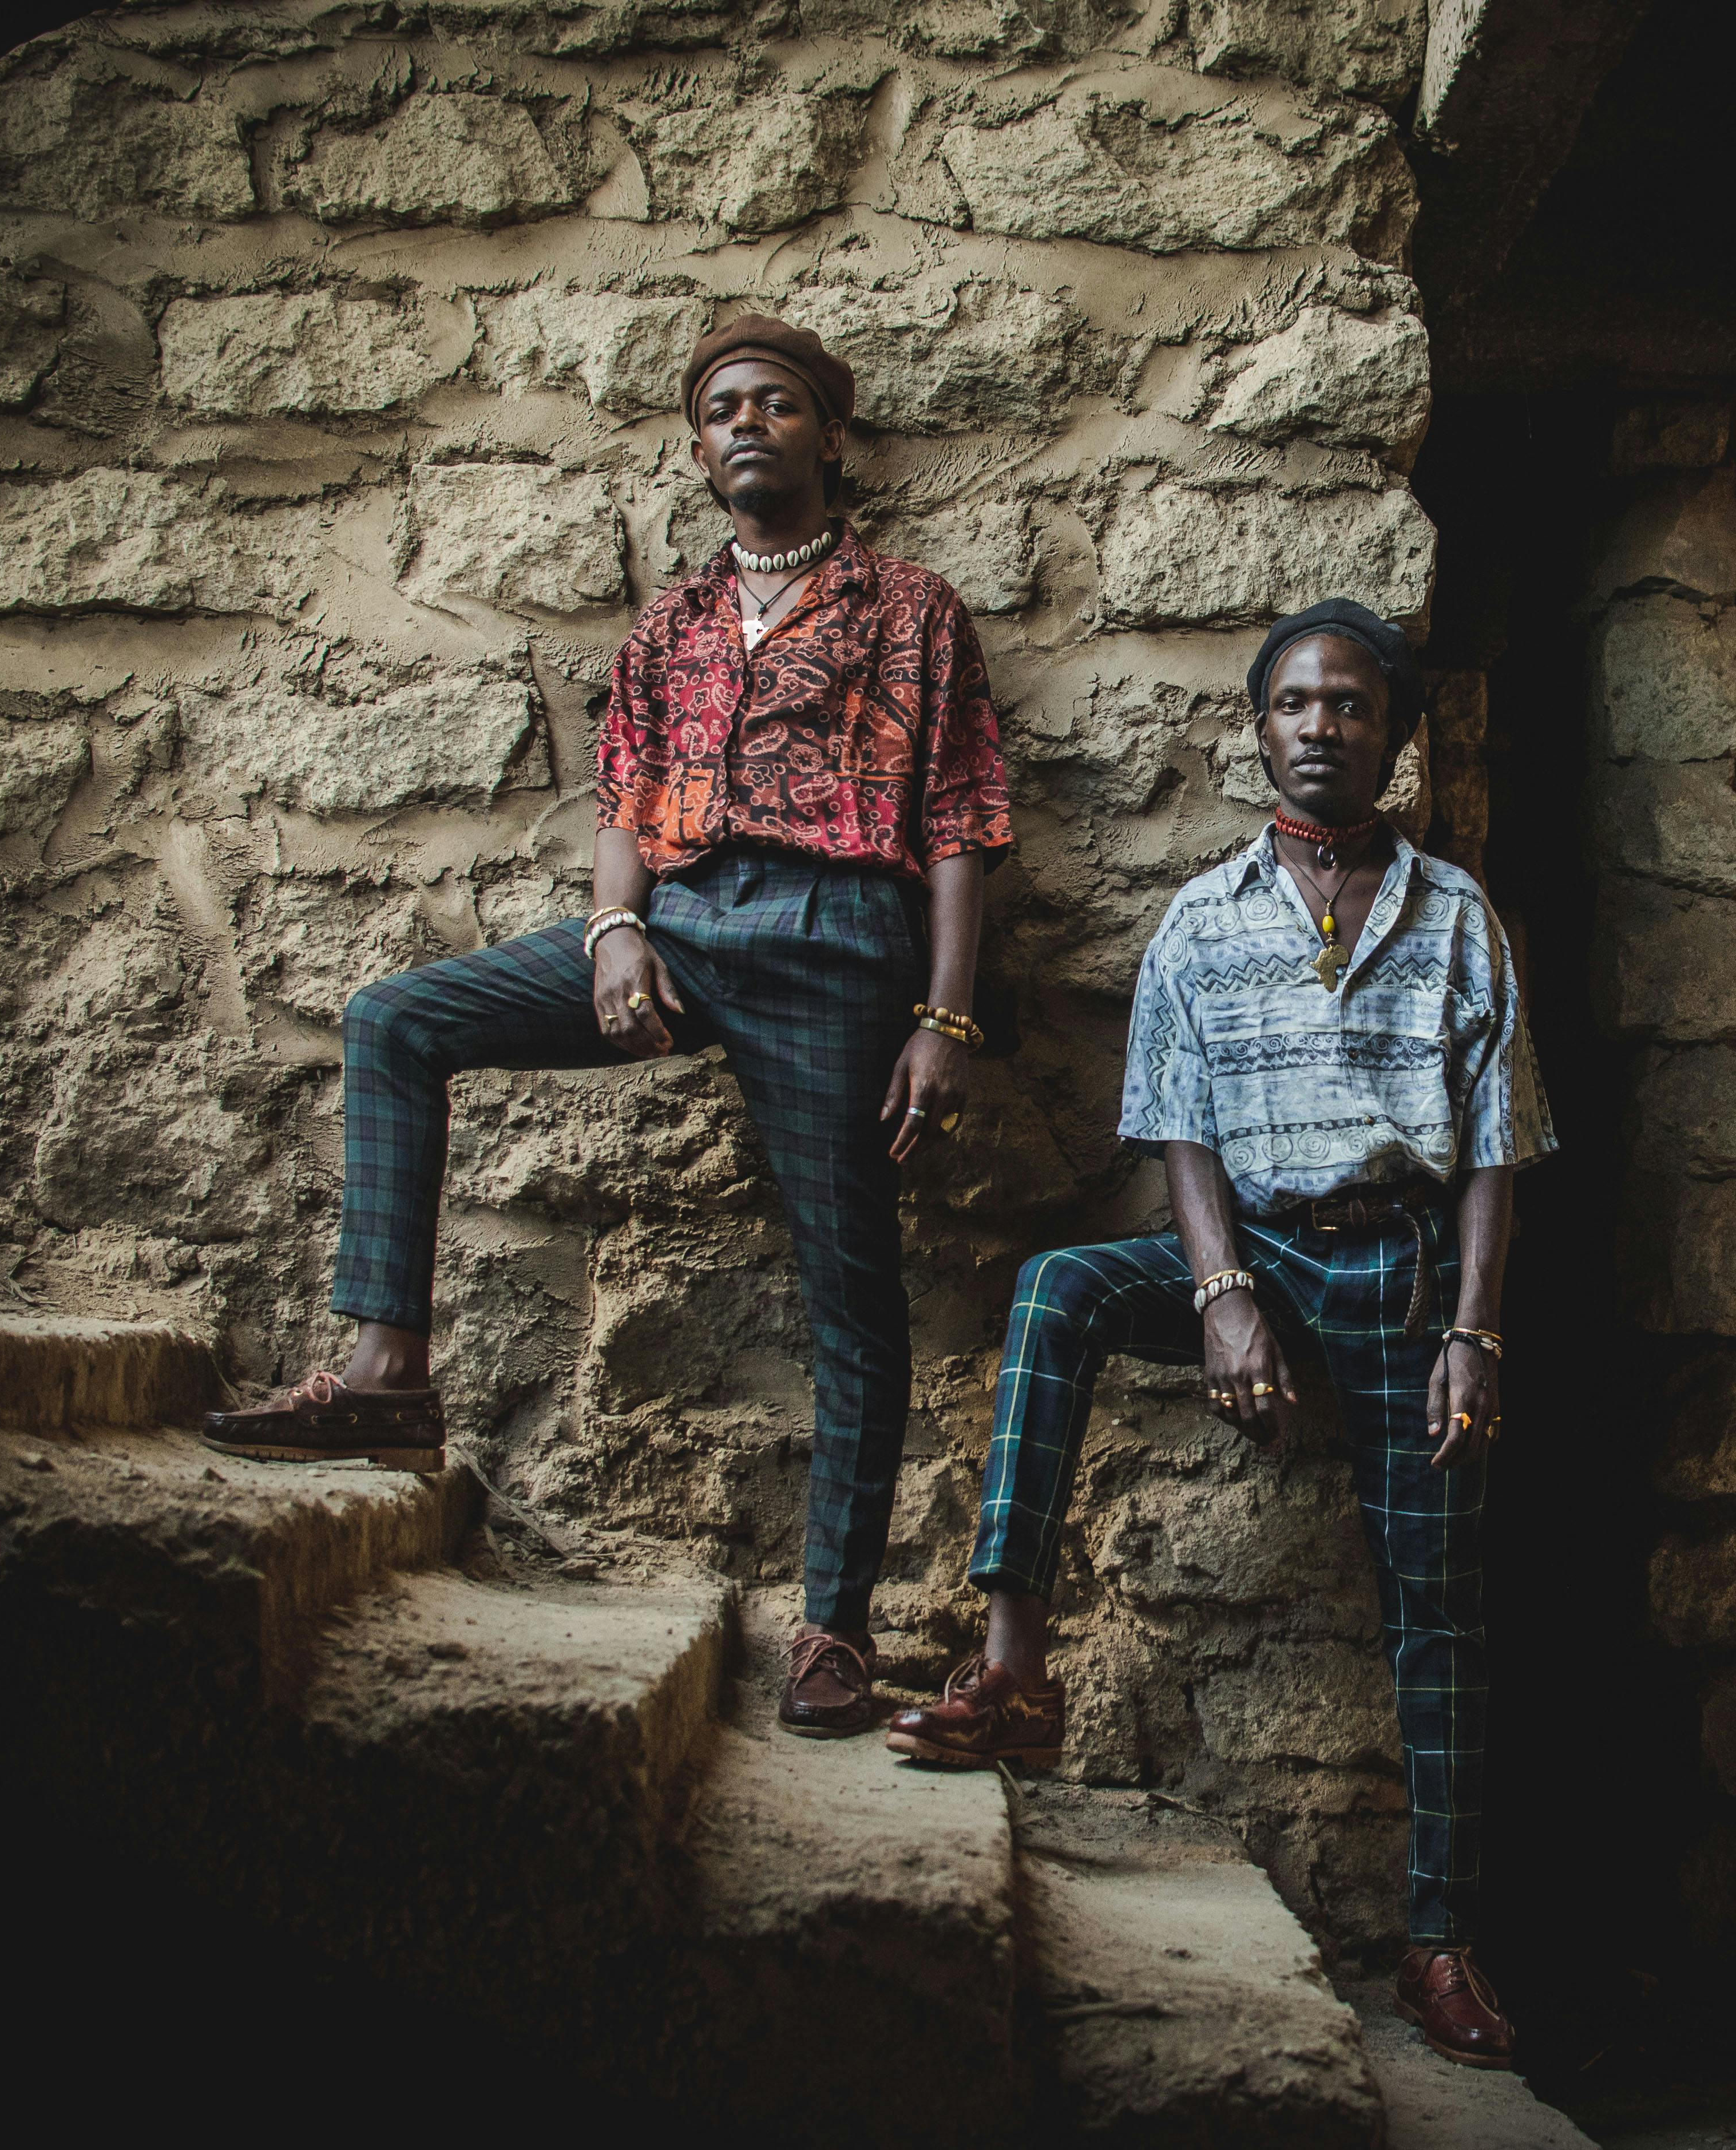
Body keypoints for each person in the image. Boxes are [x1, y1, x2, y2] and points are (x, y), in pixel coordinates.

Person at [201, 314, 1012, 1741]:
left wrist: (945, 1013)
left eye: (775, 404)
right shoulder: (669, 628)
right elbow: (626, 807)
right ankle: (387, 1369)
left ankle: (833, 1628)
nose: (745, 425)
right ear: (696, 452)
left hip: (834, 948)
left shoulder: (911, 608)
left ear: (829, 434)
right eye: (719, 411)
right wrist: (614, 929)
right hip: (682, 930)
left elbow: (957, 820)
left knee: (852, 1290)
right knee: (397, 1018)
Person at [882, 598, 1554, 2069]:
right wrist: (1222, 1293)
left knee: (1439, 1611)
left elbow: (1497, 1143)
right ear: (1259, 729)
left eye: (1353, 706)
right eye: (1298, 704)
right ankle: (1012, 1666)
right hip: (1249, 1255)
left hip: (1403, 1277)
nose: (1324, 726)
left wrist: (1475, 1333)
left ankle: (1441, 1944)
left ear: (1394, 733)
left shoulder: (1459, 917)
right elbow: (1179, 1130)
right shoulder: (1204, 915)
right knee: (1057, 1285)